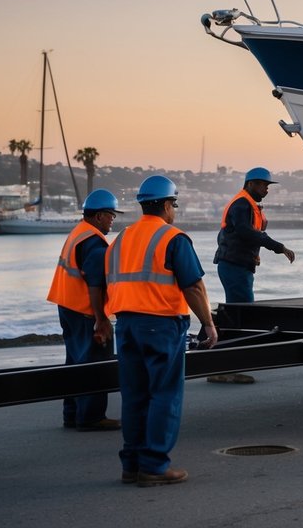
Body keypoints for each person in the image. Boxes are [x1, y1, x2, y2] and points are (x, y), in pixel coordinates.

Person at [106, 175, 218, 486]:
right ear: (167, 205)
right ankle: (154, 466)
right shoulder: (172, 238)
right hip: (161, 324)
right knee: (164, 395)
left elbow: (108, 282)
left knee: (134, 395)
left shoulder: (121, 239)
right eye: (174, 205)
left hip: (125, 324)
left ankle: (131, 465)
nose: (174, 212)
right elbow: (193, 286)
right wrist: (208, 323)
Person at [208, 166, 295, 384]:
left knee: (237, 314)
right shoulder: (241, 204)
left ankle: (219, 365)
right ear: (250, 184)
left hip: (239, 267)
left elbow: (238, 235)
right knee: (240, 316)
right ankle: (223, 367)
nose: (266, 189)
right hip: (234, 267)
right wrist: (278, 247)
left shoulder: (249, 205)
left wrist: (253, 254)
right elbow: (246, 232)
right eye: (263, 185)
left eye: (267, 186)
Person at [47, 188, 122, 430]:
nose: (113, 220)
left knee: (74, 361)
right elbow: (95, 285)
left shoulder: (78, 232)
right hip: (85, 311)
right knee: (95, 363)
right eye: (111, 215)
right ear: (99, 216)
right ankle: (91, 417)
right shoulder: (94, 243)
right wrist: (101, 319)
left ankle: (72, 415)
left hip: (67, 306)